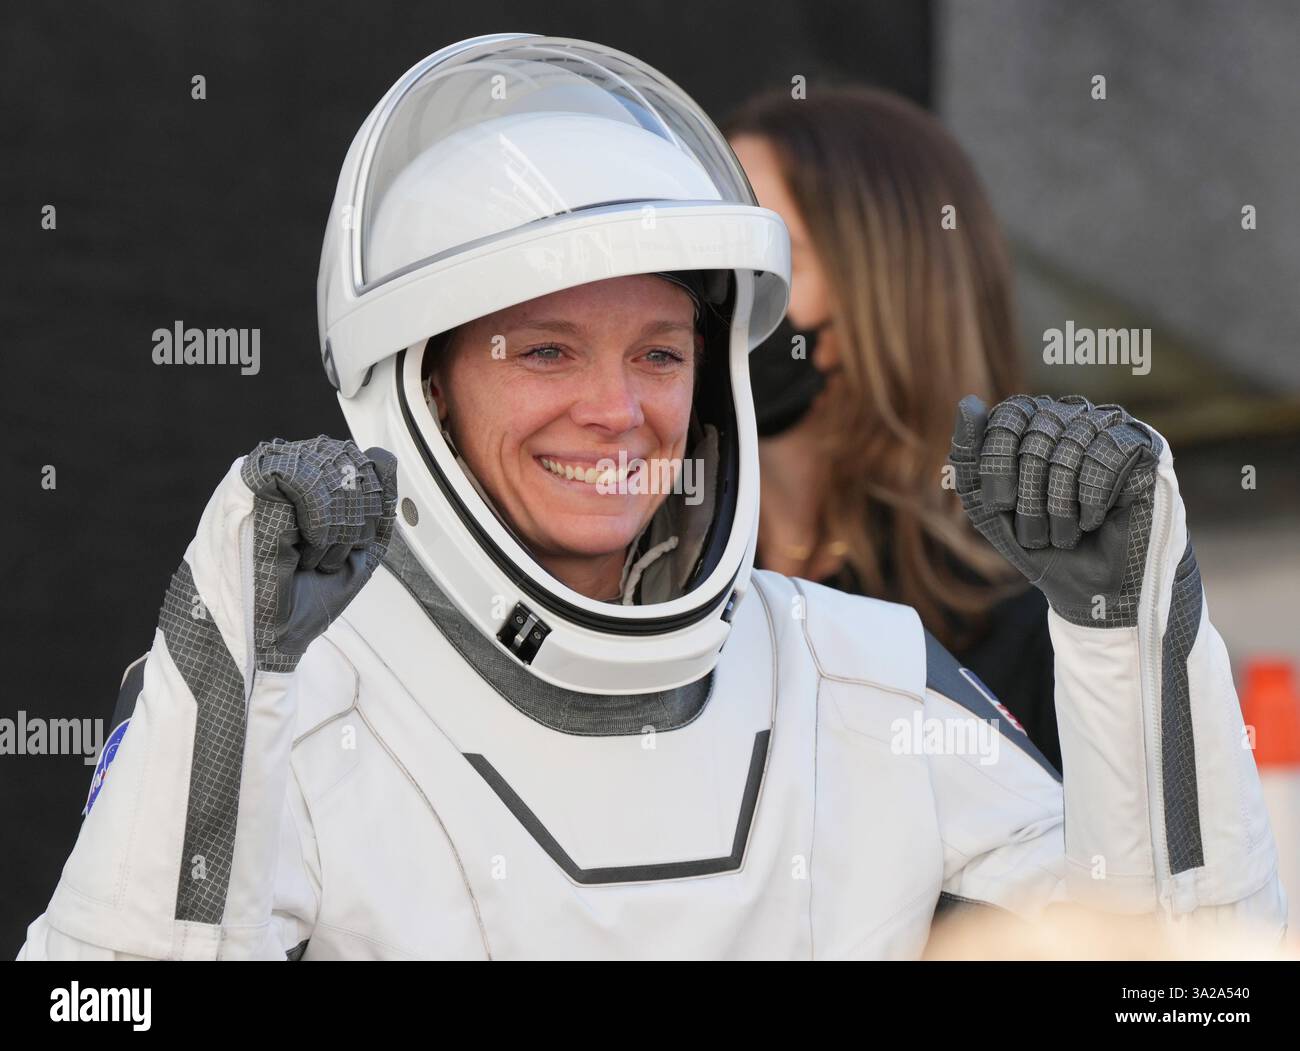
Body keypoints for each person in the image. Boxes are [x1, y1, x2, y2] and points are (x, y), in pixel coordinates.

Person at [18, 34, 1284, 960]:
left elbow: (1185, 988)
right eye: (545, 349)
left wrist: (1130, 645)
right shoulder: (295, 697)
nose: (615, 409)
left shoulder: (859, 673)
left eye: (660, 353)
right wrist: (220, 681)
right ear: (424, 388)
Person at [725, 87, 1060, 770]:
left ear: (885, 289)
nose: (721, 293)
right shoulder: (661, 574)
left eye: (765, 256)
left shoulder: (1028, 614)